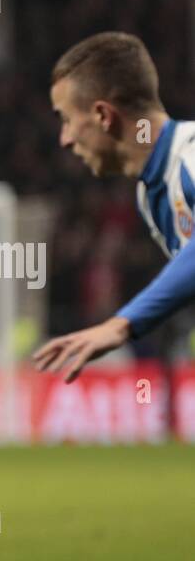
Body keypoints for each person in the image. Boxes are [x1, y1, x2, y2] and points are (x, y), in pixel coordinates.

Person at [36, 32, 195, 381]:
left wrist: (122, 324)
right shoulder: (151, 196)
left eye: (66, 119)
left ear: (103, 116)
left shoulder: (191, 155)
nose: (64, 139)